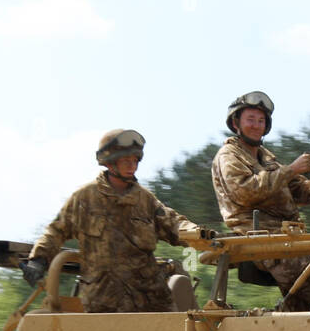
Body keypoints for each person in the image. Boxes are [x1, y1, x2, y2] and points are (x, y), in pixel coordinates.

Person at [21, 129, 207, 313]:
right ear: (109, 162)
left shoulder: (144, 200)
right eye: (126, 161)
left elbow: (174, 223)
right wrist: (38, 259)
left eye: (135, 161)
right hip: (104, 302)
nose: (132, 166)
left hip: (150, 300)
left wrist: (201, 235)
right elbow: (56, 231)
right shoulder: (85, 198)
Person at [210, 91, 310, 311]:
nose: (256, 125)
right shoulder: (229, 156)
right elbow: (245, 192)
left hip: (288, 237)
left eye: (261, 120)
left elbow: (309, 194)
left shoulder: (267, 158)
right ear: (236, 124)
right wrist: (290, 170)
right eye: (250, 120)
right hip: (259, 238)